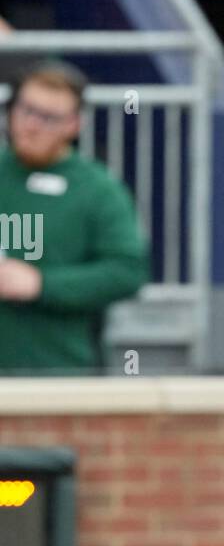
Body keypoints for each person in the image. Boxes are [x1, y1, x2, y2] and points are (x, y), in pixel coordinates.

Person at [0, 60, 149, 372]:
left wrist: (41, 284)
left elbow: (127, 272)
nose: (32, 124)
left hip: (58, 373)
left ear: (73, 125)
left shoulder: (97, 188)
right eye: (26, 110)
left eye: (49, 118)